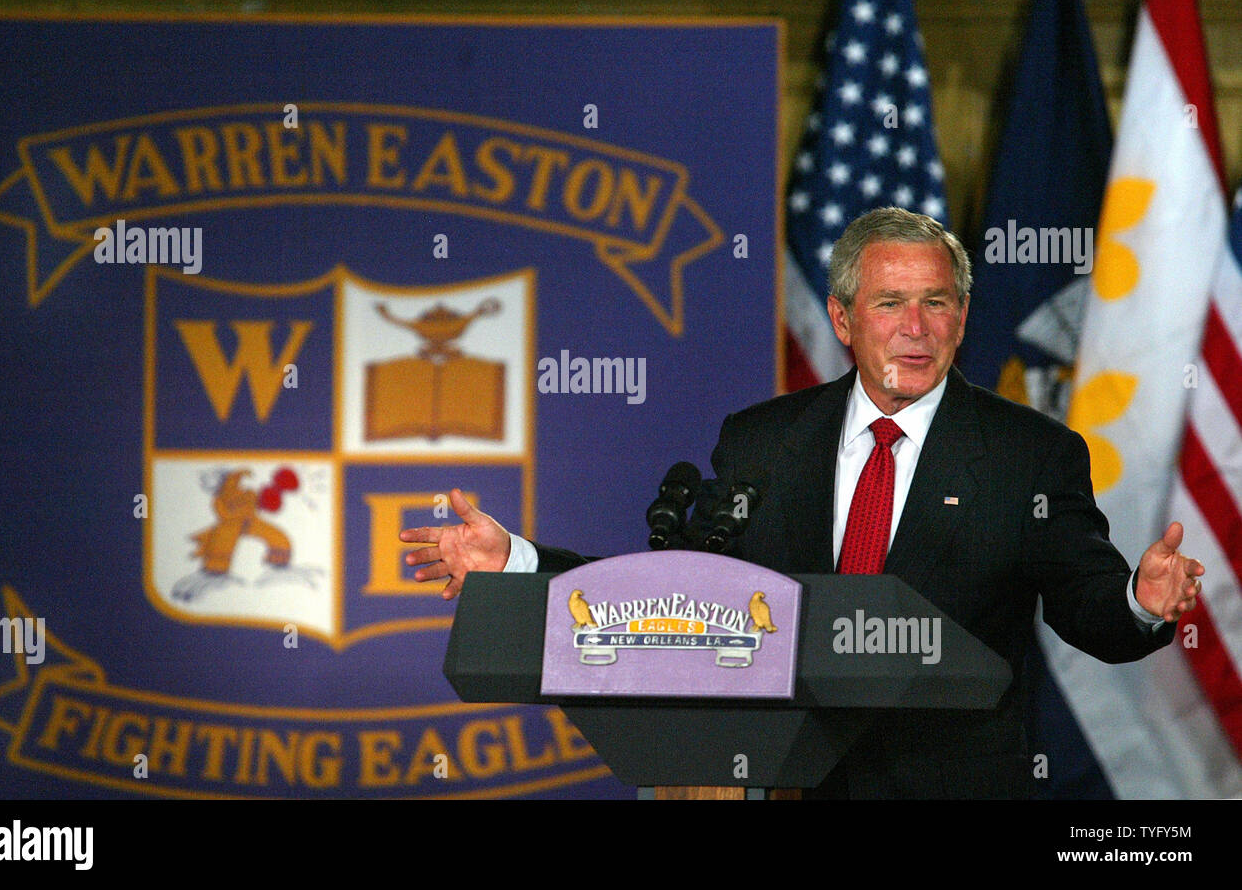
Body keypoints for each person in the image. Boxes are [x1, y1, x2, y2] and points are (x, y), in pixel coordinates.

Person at [400, 206, 1204, 799]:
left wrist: (1139, 598)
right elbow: (673, 599)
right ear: (843, 318)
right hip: (788, 787)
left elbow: (1086, 605)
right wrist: (518, 562)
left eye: (936, 303)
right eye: (890, 304)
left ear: (961, 320)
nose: (915, 327)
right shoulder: (762, 441)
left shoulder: (1030, 453)